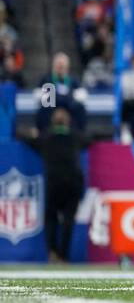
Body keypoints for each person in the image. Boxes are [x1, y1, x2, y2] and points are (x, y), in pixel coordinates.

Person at [36, 107, 86, 263]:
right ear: (68, 122)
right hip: (73, 182)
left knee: (51, 218)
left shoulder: (46, 137)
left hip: (55, 183)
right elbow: (91, 139)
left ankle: (53, 252)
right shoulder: (76, 137)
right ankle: (63, 255)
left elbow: (28, 139)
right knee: (68, 219)